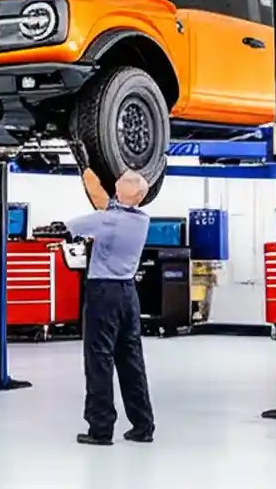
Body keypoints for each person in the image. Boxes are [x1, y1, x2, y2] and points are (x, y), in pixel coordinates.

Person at [64, 168, 155, 447]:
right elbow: (109, 206)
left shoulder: (106, 220)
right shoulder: (141, 220)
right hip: (128, 294)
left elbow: (69, 227)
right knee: (131, 360)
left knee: (99, 358)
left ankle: (100, 429)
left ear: (118, 189)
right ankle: (143, 426)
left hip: (104, 294)